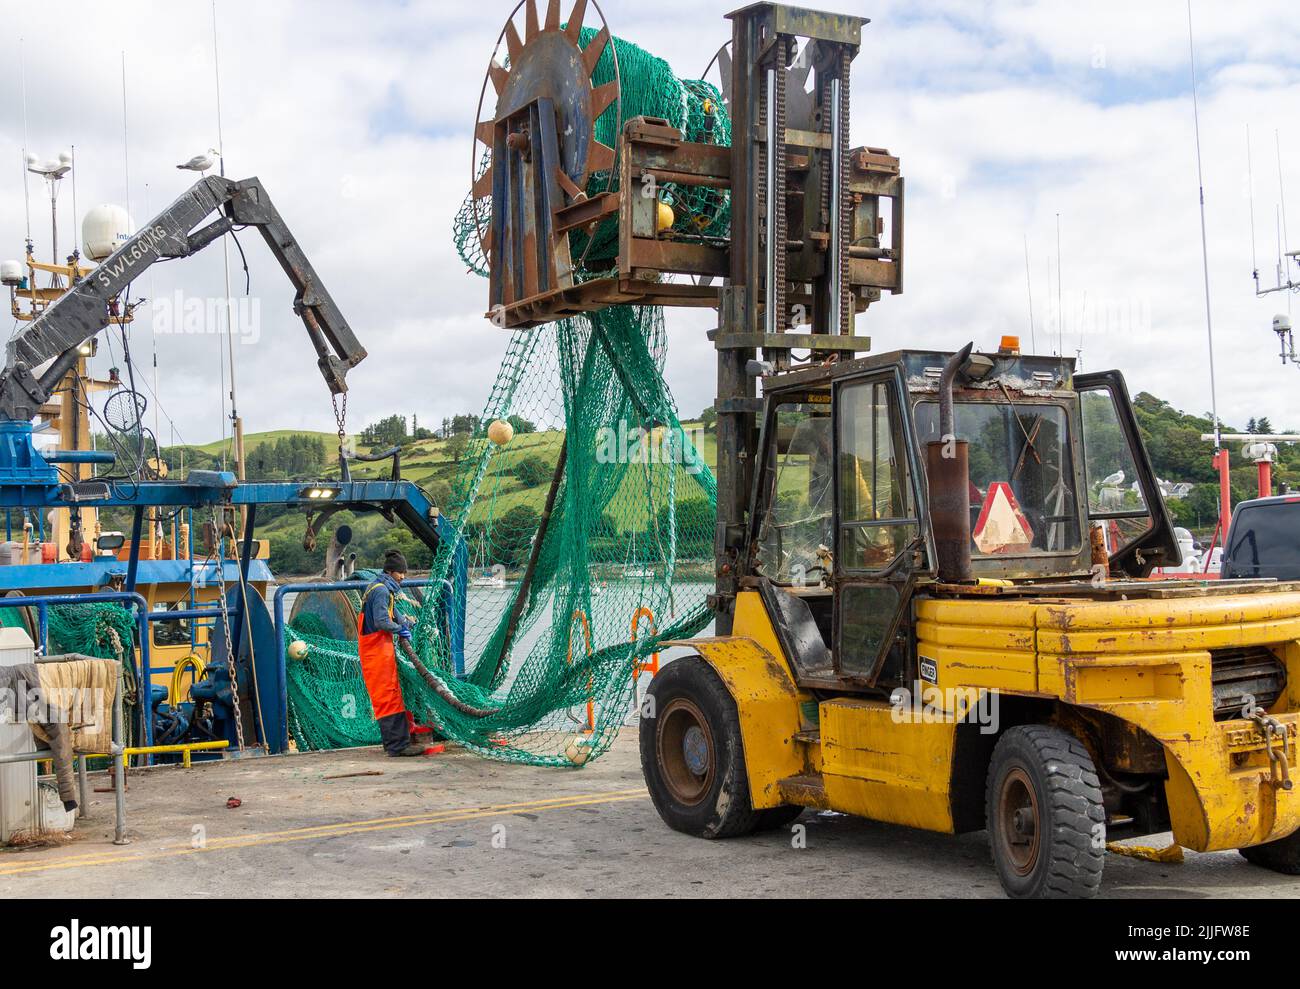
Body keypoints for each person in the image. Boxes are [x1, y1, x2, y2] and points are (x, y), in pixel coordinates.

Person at [358, 549, 424, 757]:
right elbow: (381, 621)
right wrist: (399, 629)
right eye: (400, 573)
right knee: (388, 698)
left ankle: (393, 744)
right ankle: (398, 746)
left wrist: (405, 623)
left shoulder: (380, 588)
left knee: (388, 697)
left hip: (377, 651)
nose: (403, 577)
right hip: (376, 653)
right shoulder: (382, 592)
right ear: (390, 572)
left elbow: (392, 614)